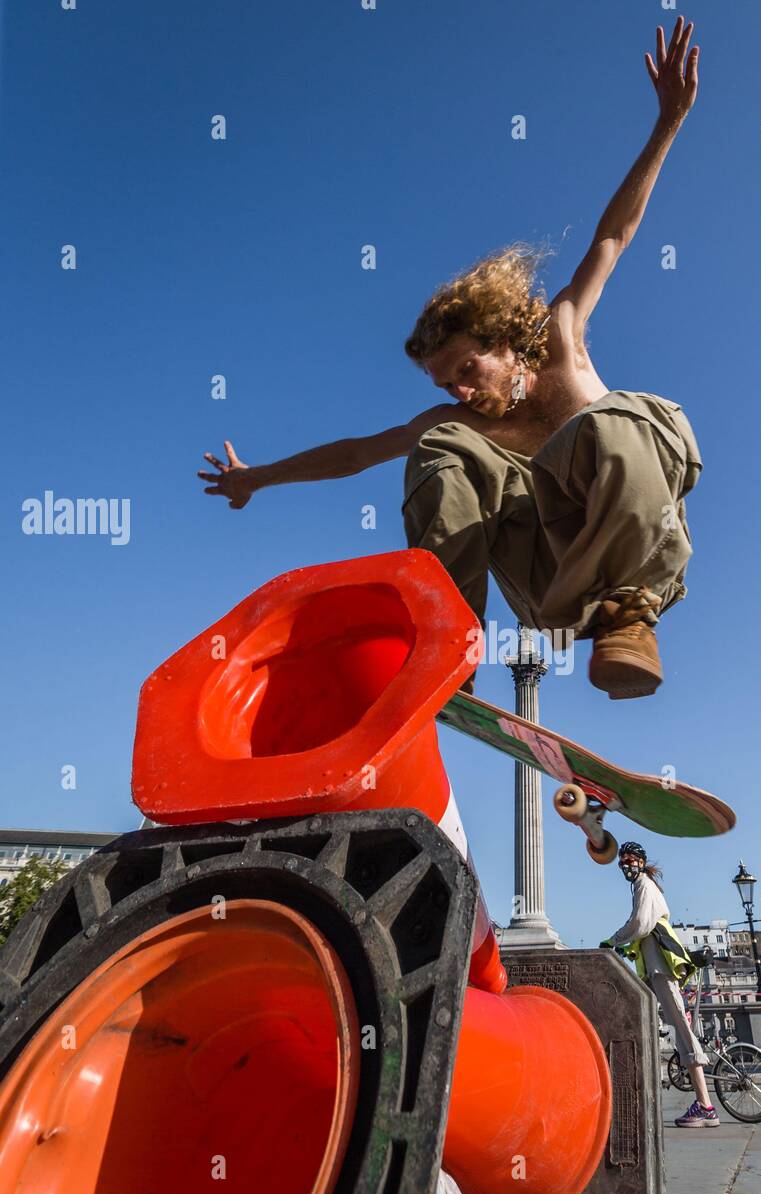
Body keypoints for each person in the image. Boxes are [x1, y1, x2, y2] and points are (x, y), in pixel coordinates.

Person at [199, 18, 704, 701]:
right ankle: (447, 647)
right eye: (447, 381)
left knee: (622, 419)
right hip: (549, 582)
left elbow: (614, 236)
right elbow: (354, 453)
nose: (462, 390)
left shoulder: (561, 335)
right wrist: (257, 479)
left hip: (637, 555)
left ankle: (626, 615)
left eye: (468, 370)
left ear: (505, 342)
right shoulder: (456, 421)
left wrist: (668, 122)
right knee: (439, 445)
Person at [600, 842, 719, 1127]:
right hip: (654, 969)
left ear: (641, 861)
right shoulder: (643, 886)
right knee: (648, 1019)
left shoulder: (644, 886)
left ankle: (705, 1105)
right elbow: (642, 928)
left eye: (630, 860)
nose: (626, 866)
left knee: (680, 1026)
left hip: (661, 969)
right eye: (622, 863)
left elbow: (640, 923)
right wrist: (625, 946)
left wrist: (614, 939)